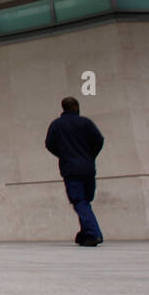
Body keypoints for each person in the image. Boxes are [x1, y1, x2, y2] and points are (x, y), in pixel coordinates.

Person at [44, 96, 105, 247]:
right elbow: (99, 140)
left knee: (79, 201)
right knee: (85, 201)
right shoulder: (85, 123)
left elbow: (49, 144)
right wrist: (89, 156)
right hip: (88, 168)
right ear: (76, 107)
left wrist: (64, 155)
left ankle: (92, 233)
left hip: (70, 169)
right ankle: (86, 233)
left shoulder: (57, 125)